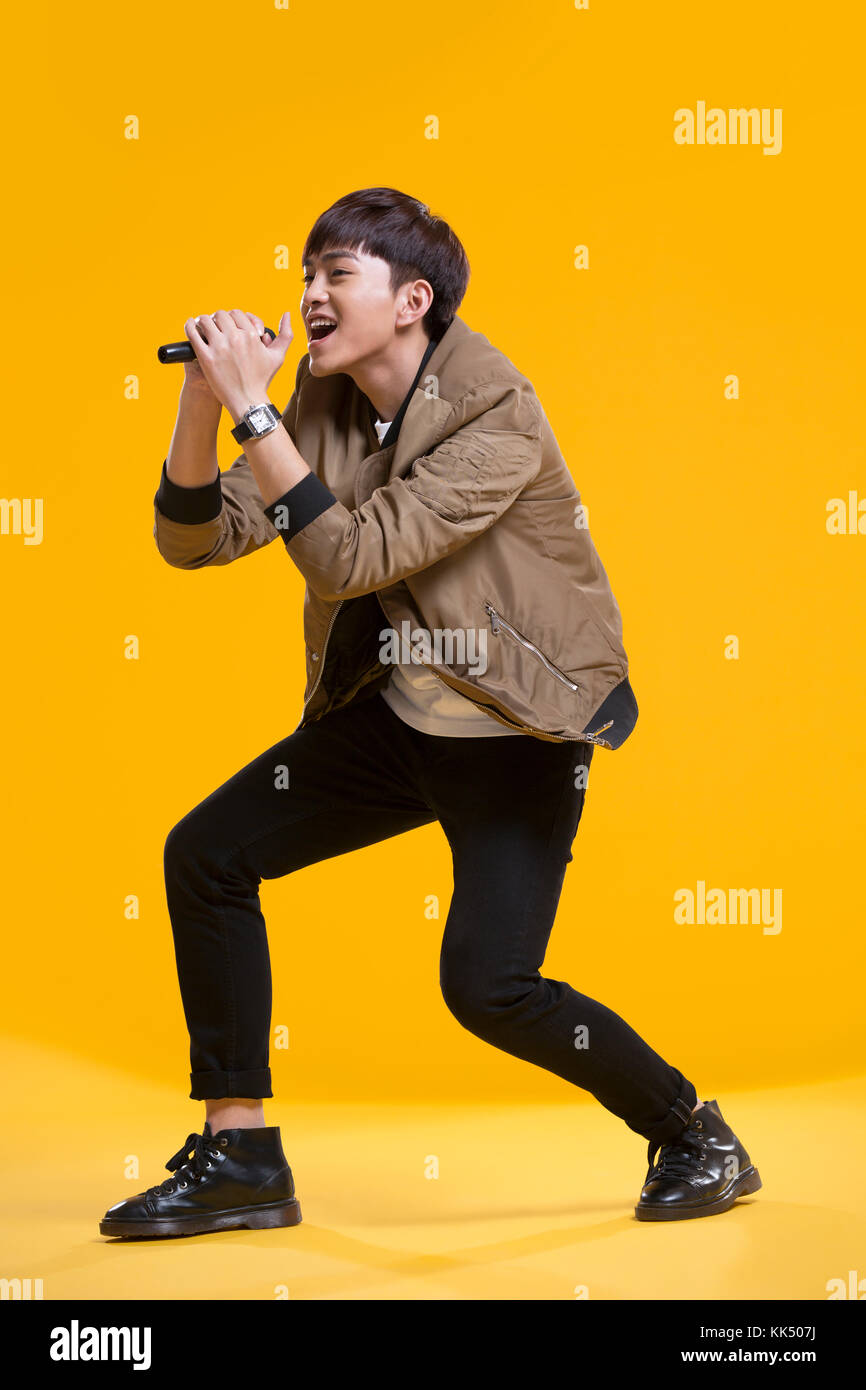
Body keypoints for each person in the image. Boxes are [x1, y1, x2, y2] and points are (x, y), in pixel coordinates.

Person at [99, 187, 760, 1239]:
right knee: (206, 854)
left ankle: (693, 1131)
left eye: (336, 275)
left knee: (488, 988)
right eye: (304, 273)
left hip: (514, 730)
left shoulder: (496, 410)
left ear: (411, 299)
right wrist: (204, 403)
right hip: (391, 713)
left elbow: (349, 555)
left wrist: (254, 408)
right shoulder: (322, 395)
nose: (309, 295)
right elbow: (193, 540)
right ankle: (239, 1155)